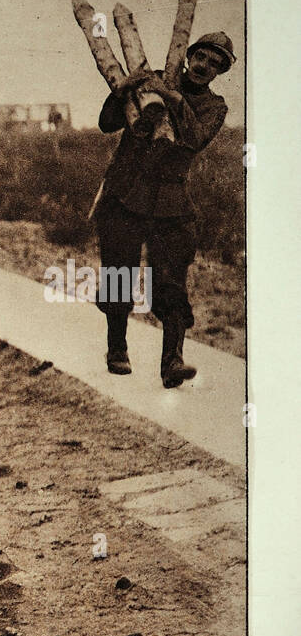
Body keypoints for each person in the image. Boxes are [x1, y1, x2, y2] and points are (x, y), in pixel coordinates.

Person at [94, 31, 234, 386]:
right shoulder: (152, 80)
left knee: (171, 281)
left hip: (171, 202)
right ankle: (117, 350)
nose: (206, 67)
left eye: (216, 64)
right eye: (202, 57)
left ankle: (172, 361)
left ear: (220, 73)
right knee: (118, 273)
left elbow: (194, 140)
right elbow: (107, 123)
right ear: (189, 56)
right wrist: (125, 87)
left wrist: (174, 99)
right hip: (127, 192)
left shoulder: (214, 107)